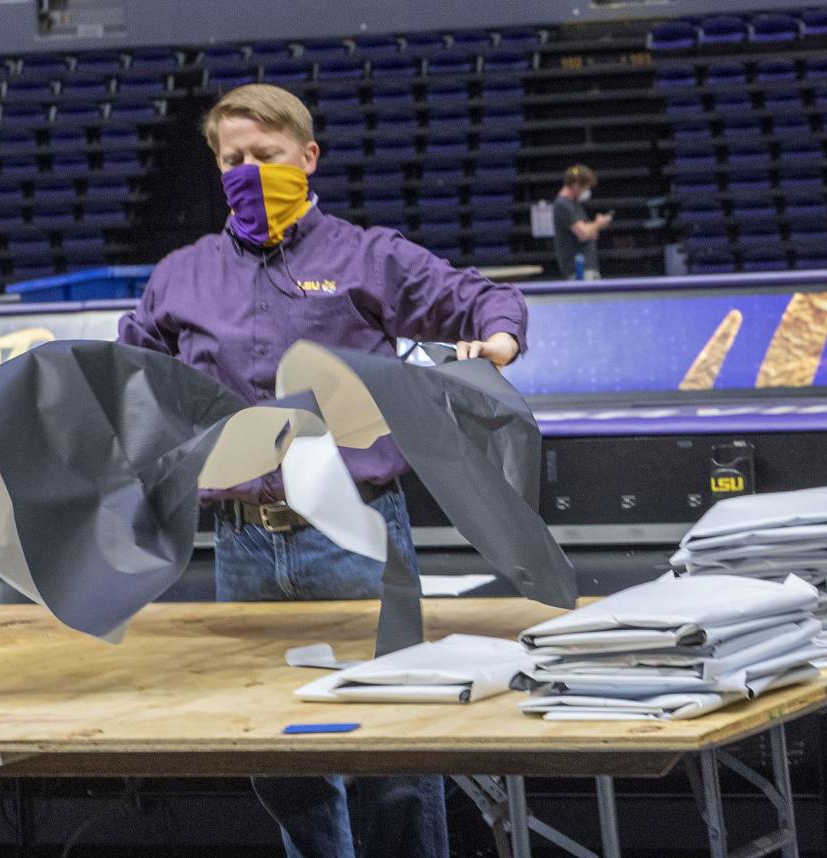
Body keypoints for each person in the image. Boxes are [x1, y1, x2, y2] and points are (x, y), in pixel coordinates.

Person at [116, 83, 526, 858]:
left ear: (307, 157)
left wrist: (495, 343)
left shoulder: (369, 256)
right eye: (231, 158)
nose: (246, 171)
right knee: (283, 756)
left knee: (391, 752)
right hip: (241, 544)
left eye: (263, 156)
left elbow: (482, 300)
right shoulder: (181, 274)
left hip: (356, 534)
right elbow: (134, 371)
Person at [551, 164, 612, 280]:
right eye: (586, 187)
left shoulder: (575, 205)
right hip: (578, 269)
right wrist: (598, 224)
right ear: (576, 185)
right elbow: (583, 233)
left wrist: (592, 228)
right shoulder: (563, 205)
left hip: (588, 267)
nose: (587, 191)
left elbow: (591, 234)